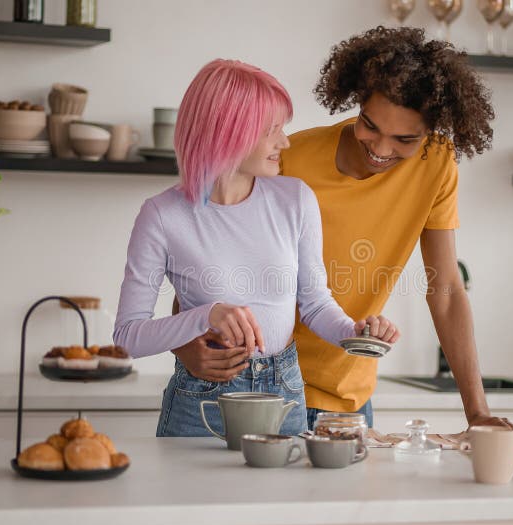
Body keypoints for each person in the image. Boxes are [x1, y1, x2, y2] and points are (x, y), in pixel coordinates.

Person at [173, 28, 513, 444]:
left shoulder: (437, 167)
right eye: (370, 125)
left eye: (405, 139)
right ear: (357, 99)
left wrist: (478, 414)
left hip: (348, 403)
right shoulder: (290, 160)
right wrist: (184, 345)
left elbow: (447, 289)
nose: (380, 148)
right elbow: (207, 265)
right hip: (261, 390)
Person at [113, 59, 399, 437]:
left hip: (286, 395)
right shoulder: (162, 216)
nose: (285, 141)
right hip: (202, 402)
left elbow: (315, 304)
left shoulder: (294, 198)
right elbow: (128, 337)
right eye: (272, 130)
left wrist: (356, 332)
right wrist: (206, 316)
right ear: (228, 132)